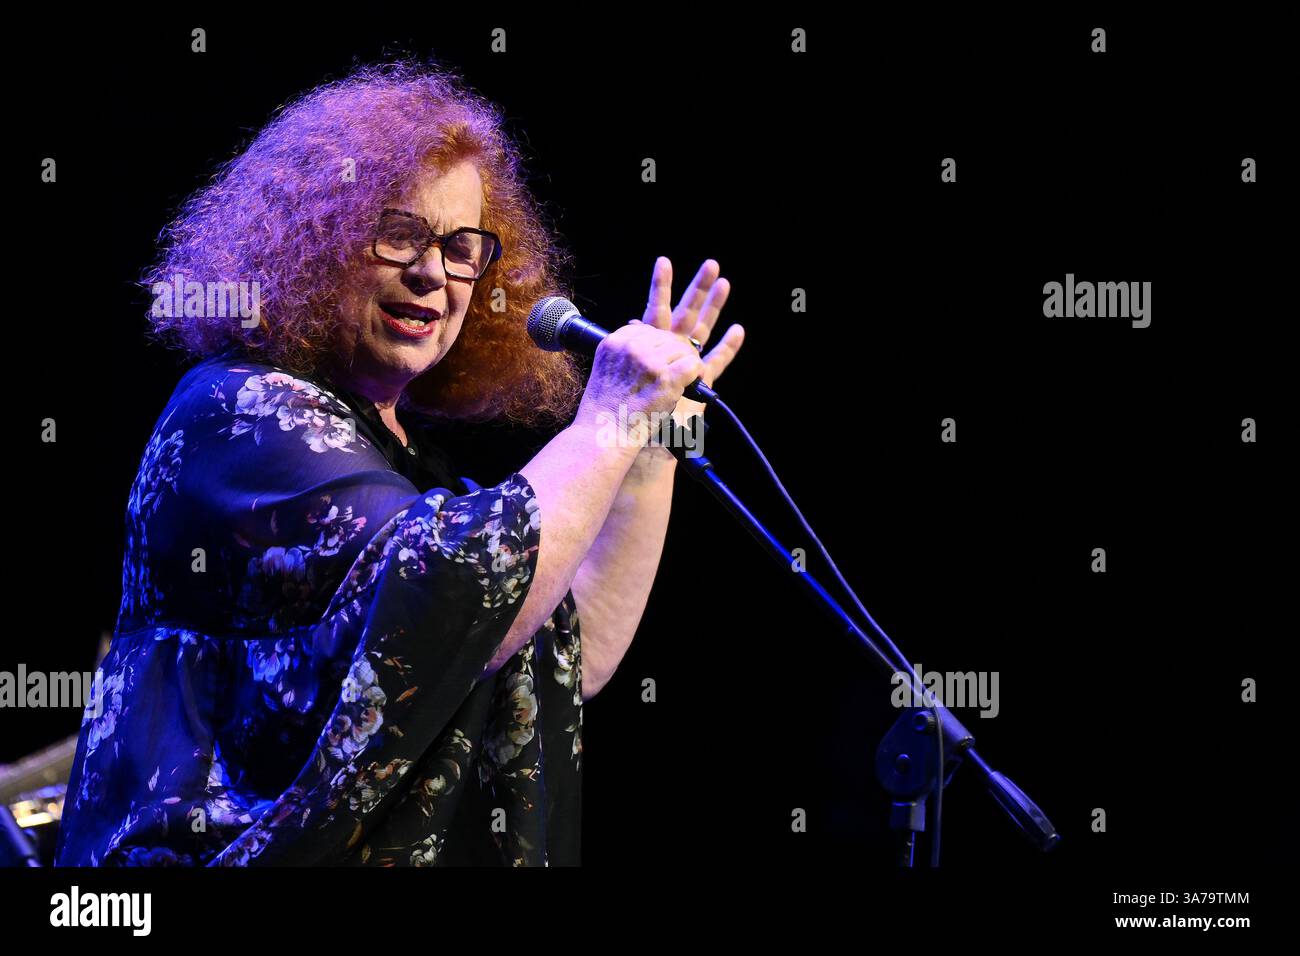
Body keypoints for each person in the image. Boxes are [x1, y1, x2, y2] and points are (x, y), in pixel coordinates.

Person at [53, 60, 744, 867]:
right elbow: (460, 585)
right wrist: (610, 417)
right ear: (310, 241)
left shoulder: (409, 466)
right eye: (400, 234)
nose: (431, 273)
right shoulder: (238, 415)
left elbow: (568, 646)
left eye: (460, 248)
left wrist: (652, 445)